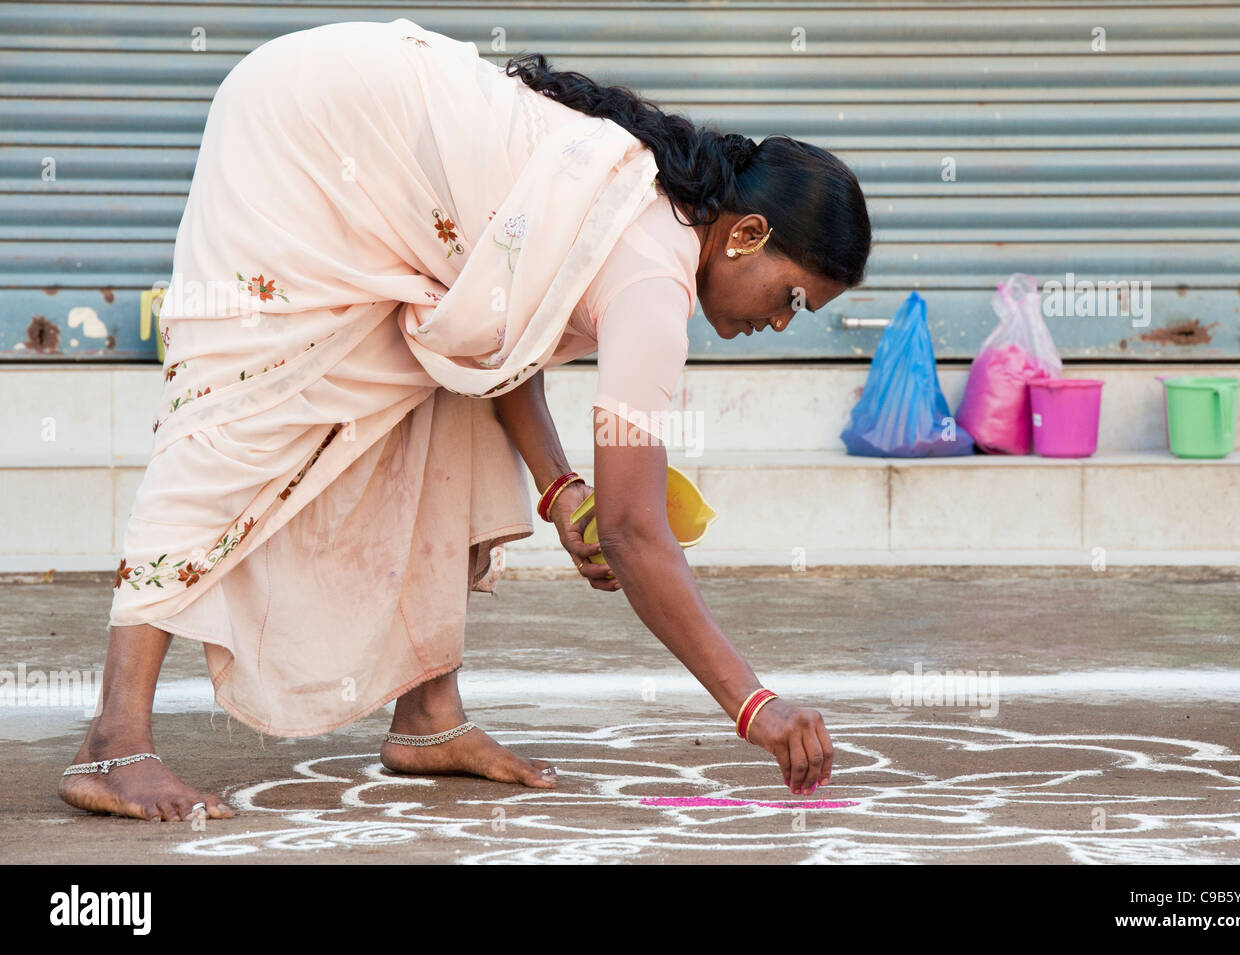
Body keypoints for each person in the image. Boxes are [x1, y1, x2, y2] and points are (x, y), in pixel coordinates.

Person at [59, 17, 872, 823]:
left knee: (441, 393)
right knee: (241, 409)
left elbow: (492, 342)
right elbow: (632, 527)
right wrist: (752, 703)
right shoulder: (654, 282)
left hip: (347, 112)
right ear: (748, 233)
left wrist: (559, 490)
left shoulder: (654, 215)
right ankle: (113, 741)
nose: (782, 322)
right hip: (306, 129)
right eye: (792, 295)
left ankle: (427, 715)